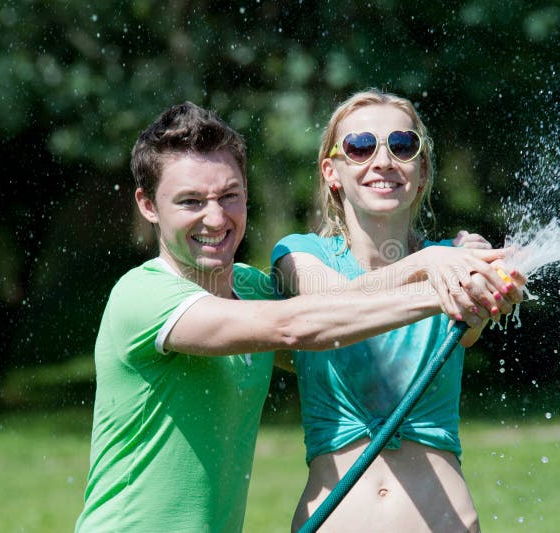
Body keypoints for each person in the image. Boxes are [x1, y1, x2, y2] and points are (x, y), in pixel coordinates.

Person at [74, 101, 521, 532]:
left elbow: (331, 328)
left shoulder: (252, 290)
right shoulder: (144, 296)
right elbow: (296, 325)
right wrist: (433, 275)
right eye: (190, 201)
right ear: (148, 205)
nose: (215, 217)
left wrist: (480, 274)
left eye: (229, 196)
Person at [272, 89, 525, 532]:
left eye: (403, 145)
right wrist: (425, 264)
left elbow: (468, 329)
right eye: (360, 146)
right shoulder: (299, 254)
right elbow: (327, 307)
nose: (384, 160)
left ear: (422, 170)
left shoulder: (456, 260)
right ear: (332, 171)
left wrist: (493, 281)